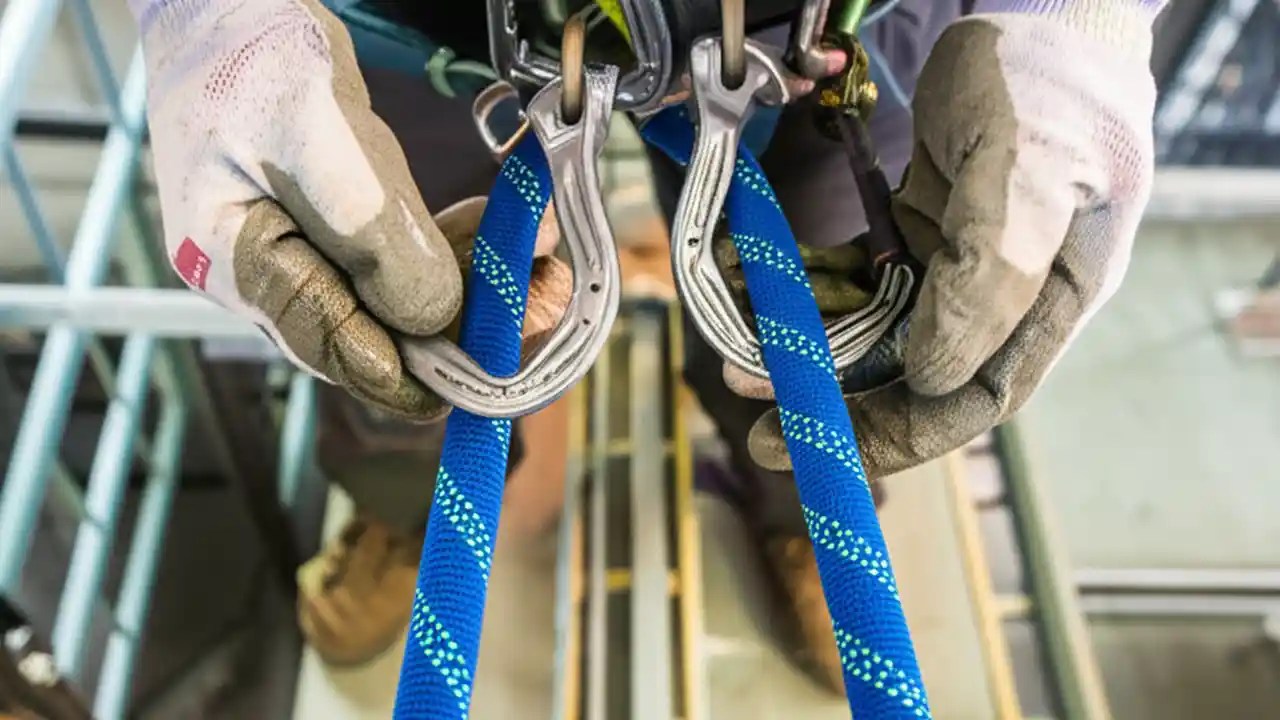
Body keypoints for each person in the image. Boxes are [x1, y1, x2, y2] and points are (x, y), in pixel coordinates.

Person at [124, 0, 1165, 692]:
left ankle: (798, 507)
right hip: (414, 31)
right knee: (393, 298)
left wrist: (1074, 18)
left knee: (827, 308)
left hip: (826, 35)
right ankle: (406, 507)